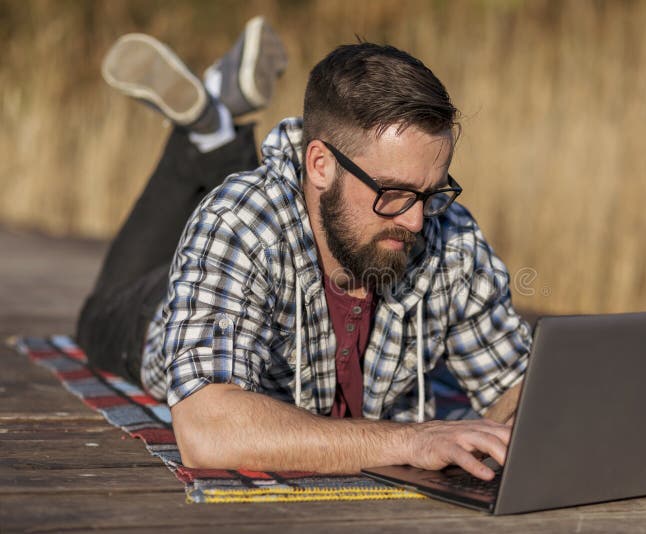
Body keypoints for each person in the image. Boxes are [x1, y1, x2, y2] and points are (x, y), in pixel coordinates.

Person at [78, 17, 532, 482]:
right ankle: (208, 133)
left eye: (431, 191)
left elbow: (515, 383)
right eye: (391, 192)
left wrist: (529, 422)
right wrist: (410, 439)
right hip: (144, 317)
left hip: (266, 240)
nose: (415, 220)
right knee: (91, 318)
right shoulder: (239, 220)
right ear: (319, 163)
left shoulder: (445, 228)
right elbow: (206, 432)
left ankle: (214, 125)